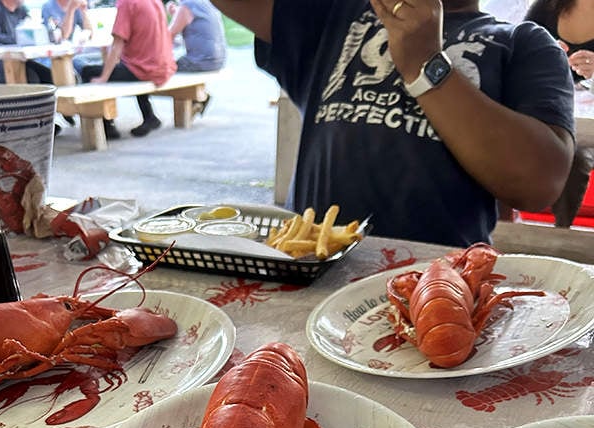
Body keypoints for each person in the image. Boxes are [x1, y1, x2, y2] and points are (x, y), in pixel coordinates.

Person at [205, 1, 575, 247]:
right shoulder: (332, 16)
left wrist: (425, 64)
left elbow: (540, 183)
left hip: (439, 288)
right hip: (308, 270)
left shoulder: (523, 43)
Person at [524, 0, 594, 227]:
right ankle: (498, 229)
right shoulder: (547, 6)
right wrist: (545, 57)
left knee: (575, 157)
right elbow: (520, 54)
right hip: (546, 111)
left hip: (586, 125)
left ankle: (561, 233)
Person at [80, 0, 176, 139]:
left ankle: (107, 125)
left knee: (88, 72)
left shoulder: (126, 3)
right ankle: (149, 116)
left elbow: (117, 44)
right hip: (164, 65)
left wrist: (104, 77)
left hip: (146, 69)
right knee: (130, 65)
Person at [0, 0, 54, 85]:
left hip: (21, 59)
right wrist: (20, 40)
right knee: (32, 78)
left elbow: (31, 33)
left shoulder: (21, 10)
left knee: (50, 77)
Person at [167, 0, 226, 72]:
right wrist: (176, 14)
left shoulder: (187, 5)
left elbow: (168, 37)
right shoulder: (207, 3)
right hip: (219, 61)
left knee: (159, 70)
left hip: (200, 62)